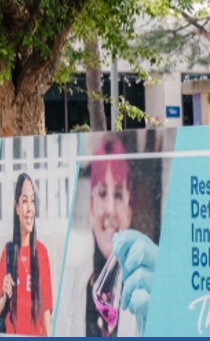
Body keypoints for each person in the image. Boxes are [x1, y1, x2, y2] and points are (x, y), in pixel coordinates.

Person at [59, 138, 153, 336]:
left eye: (118, 195)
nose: (110, 209)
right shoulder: (67, 288)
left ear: (129, 212)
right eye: (102, 193)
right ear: (91, 208)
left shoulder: (147, 290)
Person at [0, 172, 54, 336]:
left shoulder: (42, 253)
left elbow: (46, 316)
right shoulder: (8, 252)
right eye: (24, 201)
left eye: (32, 201)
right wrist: (4, 297)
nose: (29, 208)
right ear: (16, 207)